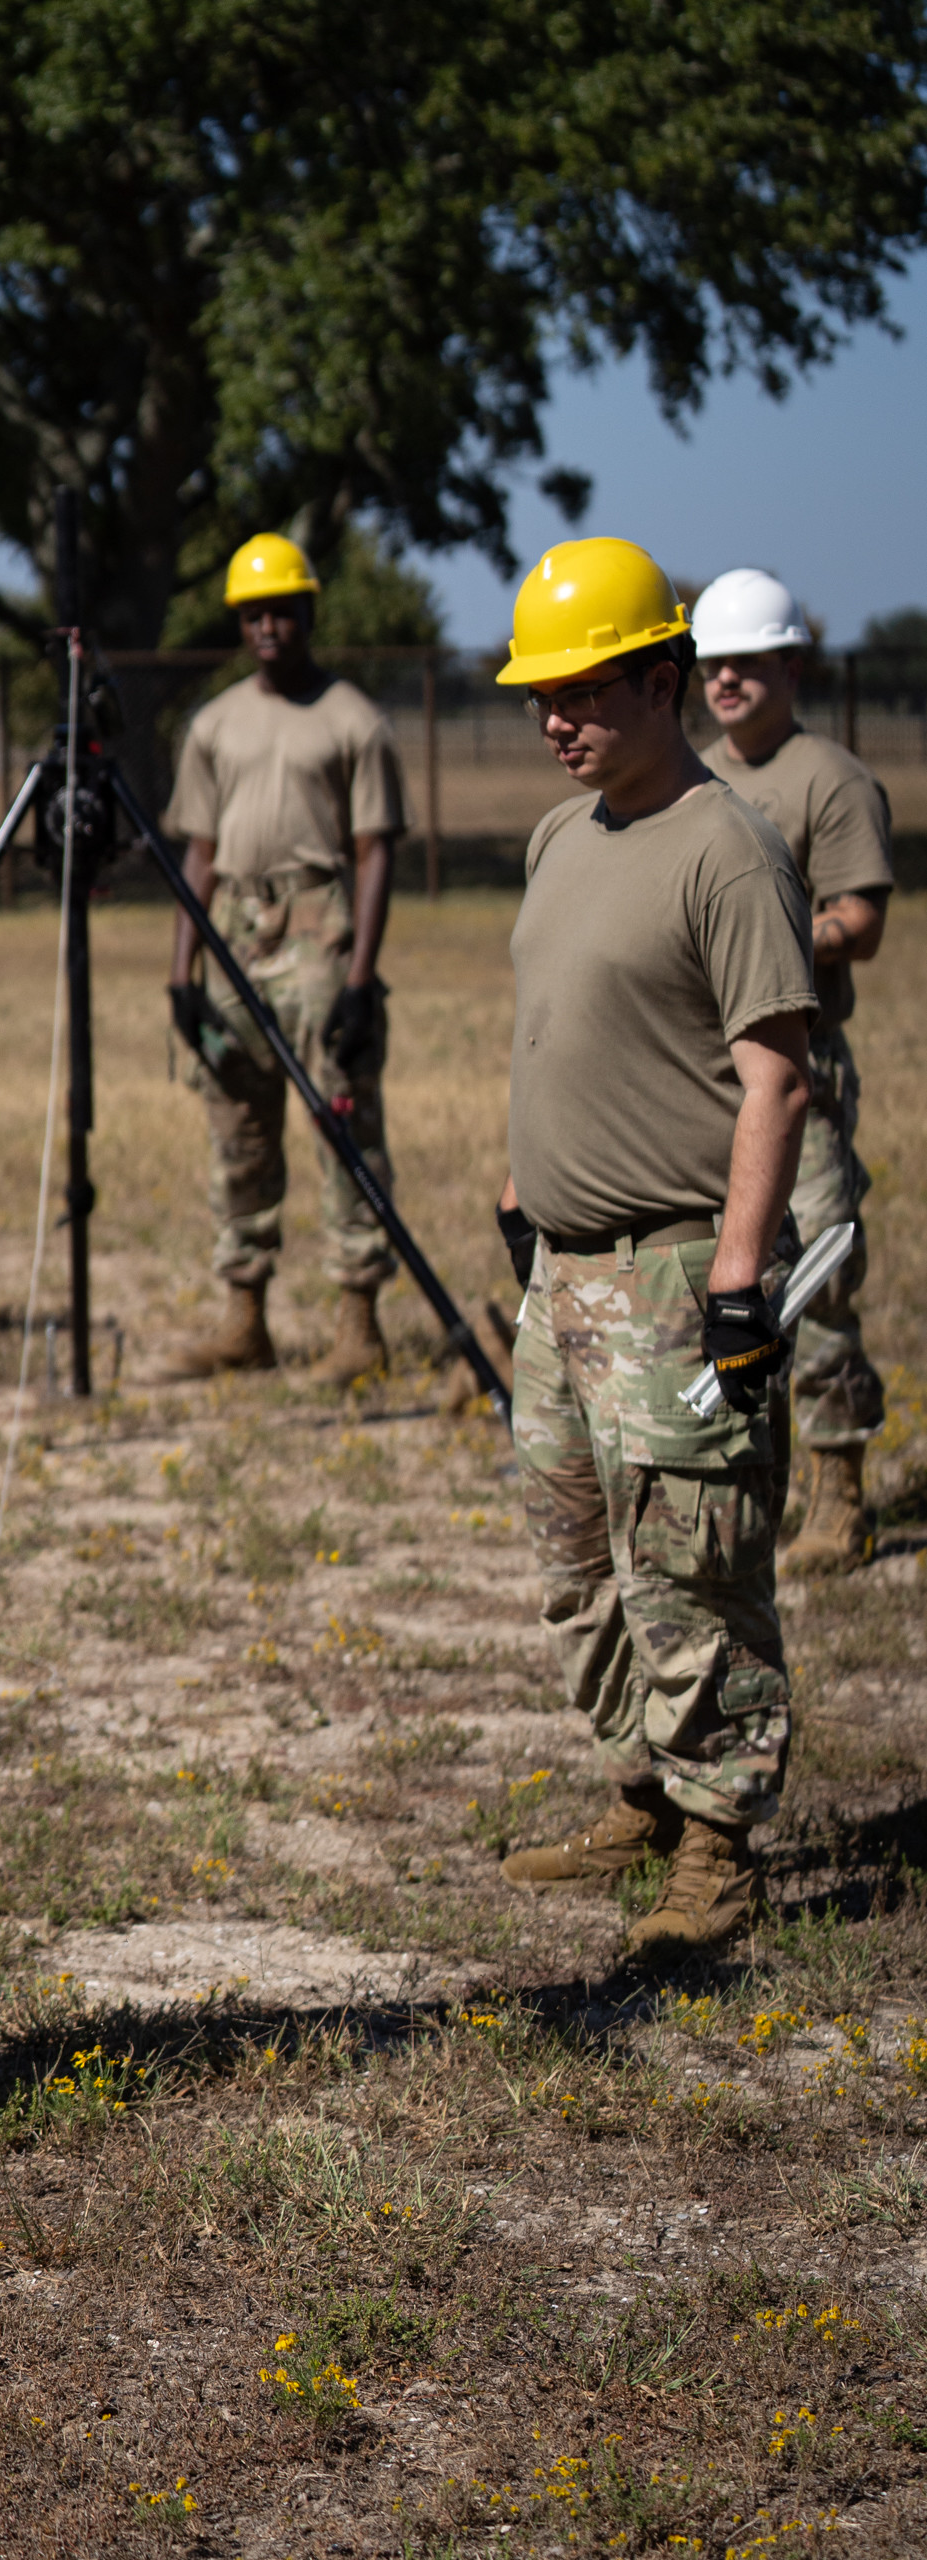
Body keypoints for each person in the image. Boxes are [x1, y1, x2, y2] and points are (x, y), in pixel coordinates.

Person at [490, 538, 815, 1953]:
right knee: (577, 1561)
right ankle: (641, 1789)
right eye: (538, 694)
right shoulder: (561, 837)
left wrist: (738, 1279)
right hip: (561, 1272)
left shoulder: (726, 848)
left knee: (692, 1563)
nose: (554, 718)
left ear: (661, 678)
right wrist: (524, 1187)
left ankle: (718, 1842)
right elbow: (554, 1025)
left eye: (582, 689)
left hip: (677, 1270)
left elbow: (775, 1075)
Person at [161, 533, 408, 1386]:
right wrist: (180, 974)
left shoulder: (353, 720)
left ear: (309, 613)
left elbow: (375, 850)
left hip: (317, 933)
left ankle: (358, 1325)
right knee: (235, 1124)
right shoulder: (213, 724)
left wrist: (359, 978)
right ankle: (244, 1320)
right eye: (252, 614)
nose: (268, 626)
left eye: (282, 611)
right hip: (233, 933)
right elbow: (197, 851)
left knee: (341, 1119)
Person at [693, 568, 891, 1574]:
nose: (726, 680)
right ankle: (743, 1476)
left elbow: (860, 920)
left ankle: (838, 1486)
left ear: (790, 667)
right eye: (711, 664)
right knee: (724, 1272)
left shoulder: (829, 778)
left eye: (747, 662)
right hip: (702, 1071)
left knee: (814, 1274)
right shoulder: (688, 776)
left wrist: (768, 937)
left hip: (794, 1063)